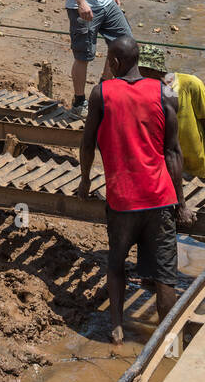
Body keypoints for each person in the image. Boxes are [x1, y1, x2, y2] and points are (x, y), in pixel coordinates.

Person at [78, 36, 194, 344]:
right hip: (159, 198)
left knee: (116, 264)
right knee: (164, 276)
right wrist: (181, 204)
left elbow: (88, 143)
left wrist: (85, 181)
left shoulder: (101, 93)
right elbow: (173, 152)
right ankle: (166, 343)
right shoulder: (164, 93)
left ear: (114, 63)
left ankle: (116, 329)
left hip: (122, 200)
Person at [137, 44, 205, 185]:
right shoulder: (148, 94)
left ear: (150, 70)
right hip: (181, 172)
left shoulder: (191, 84)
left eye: (139, 70)